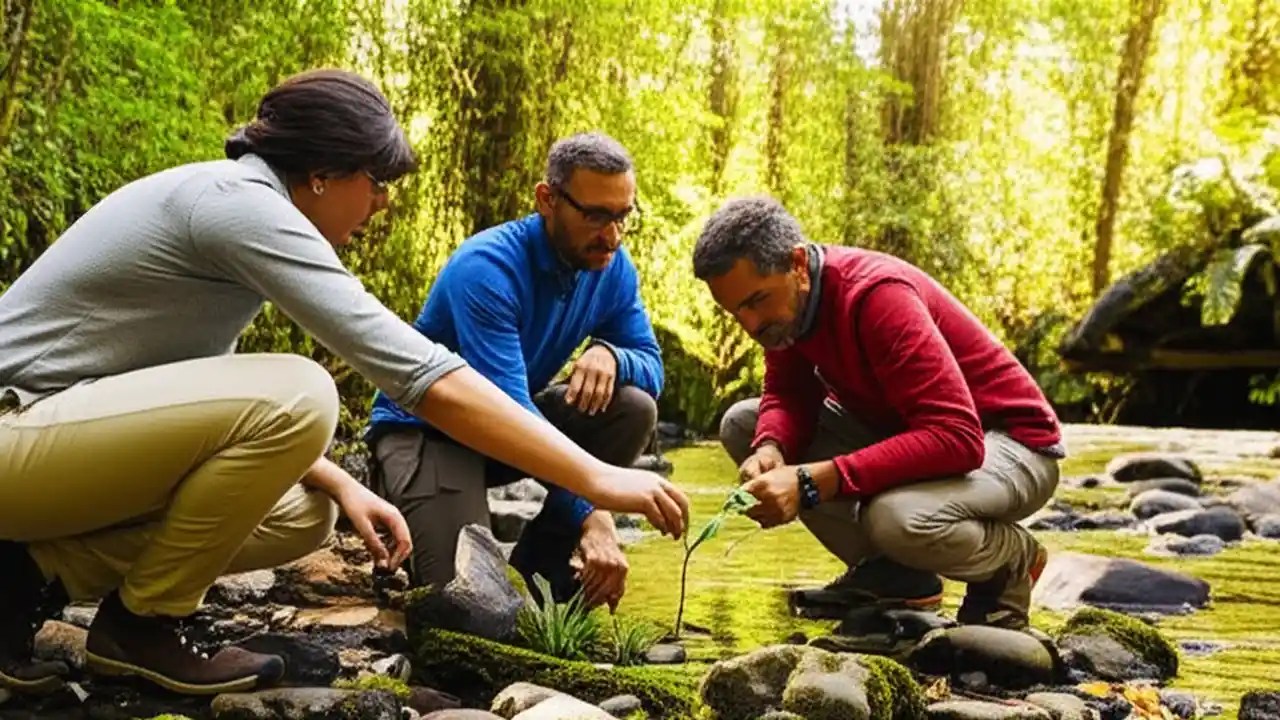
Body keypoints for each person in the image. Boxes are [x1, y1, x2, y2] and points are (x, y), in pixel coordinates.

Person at [0, 70, 688, 697]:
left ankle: (26, 577)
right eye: (377, 183)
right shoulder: (240, 206)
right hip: (17, 431)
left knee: (306, 511)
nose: (383, 204)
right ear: (325, 173)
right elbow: (418, 373)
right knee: (305, 391)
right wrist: (599, 484)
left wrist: (343, 482)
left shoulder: (234, 213)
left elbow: (188, 404)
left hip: (47, 444)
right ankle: (143, 625)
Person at [692, 196, 1064, 630]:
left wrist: (813, 480)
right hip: (922, 437)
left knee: (895, 517)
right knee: (744, 424)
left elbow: (958, 437)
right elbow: (788, 393)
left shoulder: (876, 297)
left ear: (796, 264)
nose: (751, 325)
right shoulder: (790, 312)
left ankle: (1012, 562)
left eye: (757, 301)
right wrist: (772, 446)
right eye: (736, 311)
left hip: (1013, 446)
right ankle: (897, 576)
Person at [366, 132, 660, 611]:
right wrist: (594, 511)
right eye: (596, 216)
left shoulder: (612, 266)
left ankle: (539, 583)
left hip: (502, 431)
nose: (612, 236)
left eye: (623, 217)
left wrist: (611, 353)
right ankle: (501, 596)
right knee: (466, 610)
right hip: (425, 432)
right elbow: (507, 413)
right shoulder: (486, 268)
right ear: (547, 200)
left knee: (631, 408)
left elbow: (651, 364)